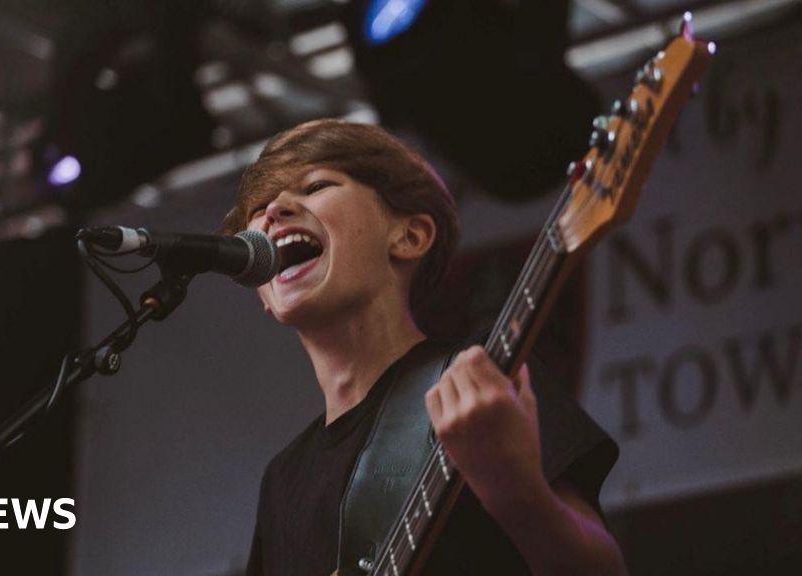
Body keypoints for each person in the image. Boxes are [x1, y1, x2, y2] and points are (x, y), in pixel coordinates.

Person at [220, 119, 626, 575]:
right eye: (260, 207)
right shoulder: (284, 480)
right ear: (262, 293)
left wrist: (517, 491)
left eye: (315, 185)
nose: (274, 208)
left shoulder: (483, 381)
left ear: (409, 236)